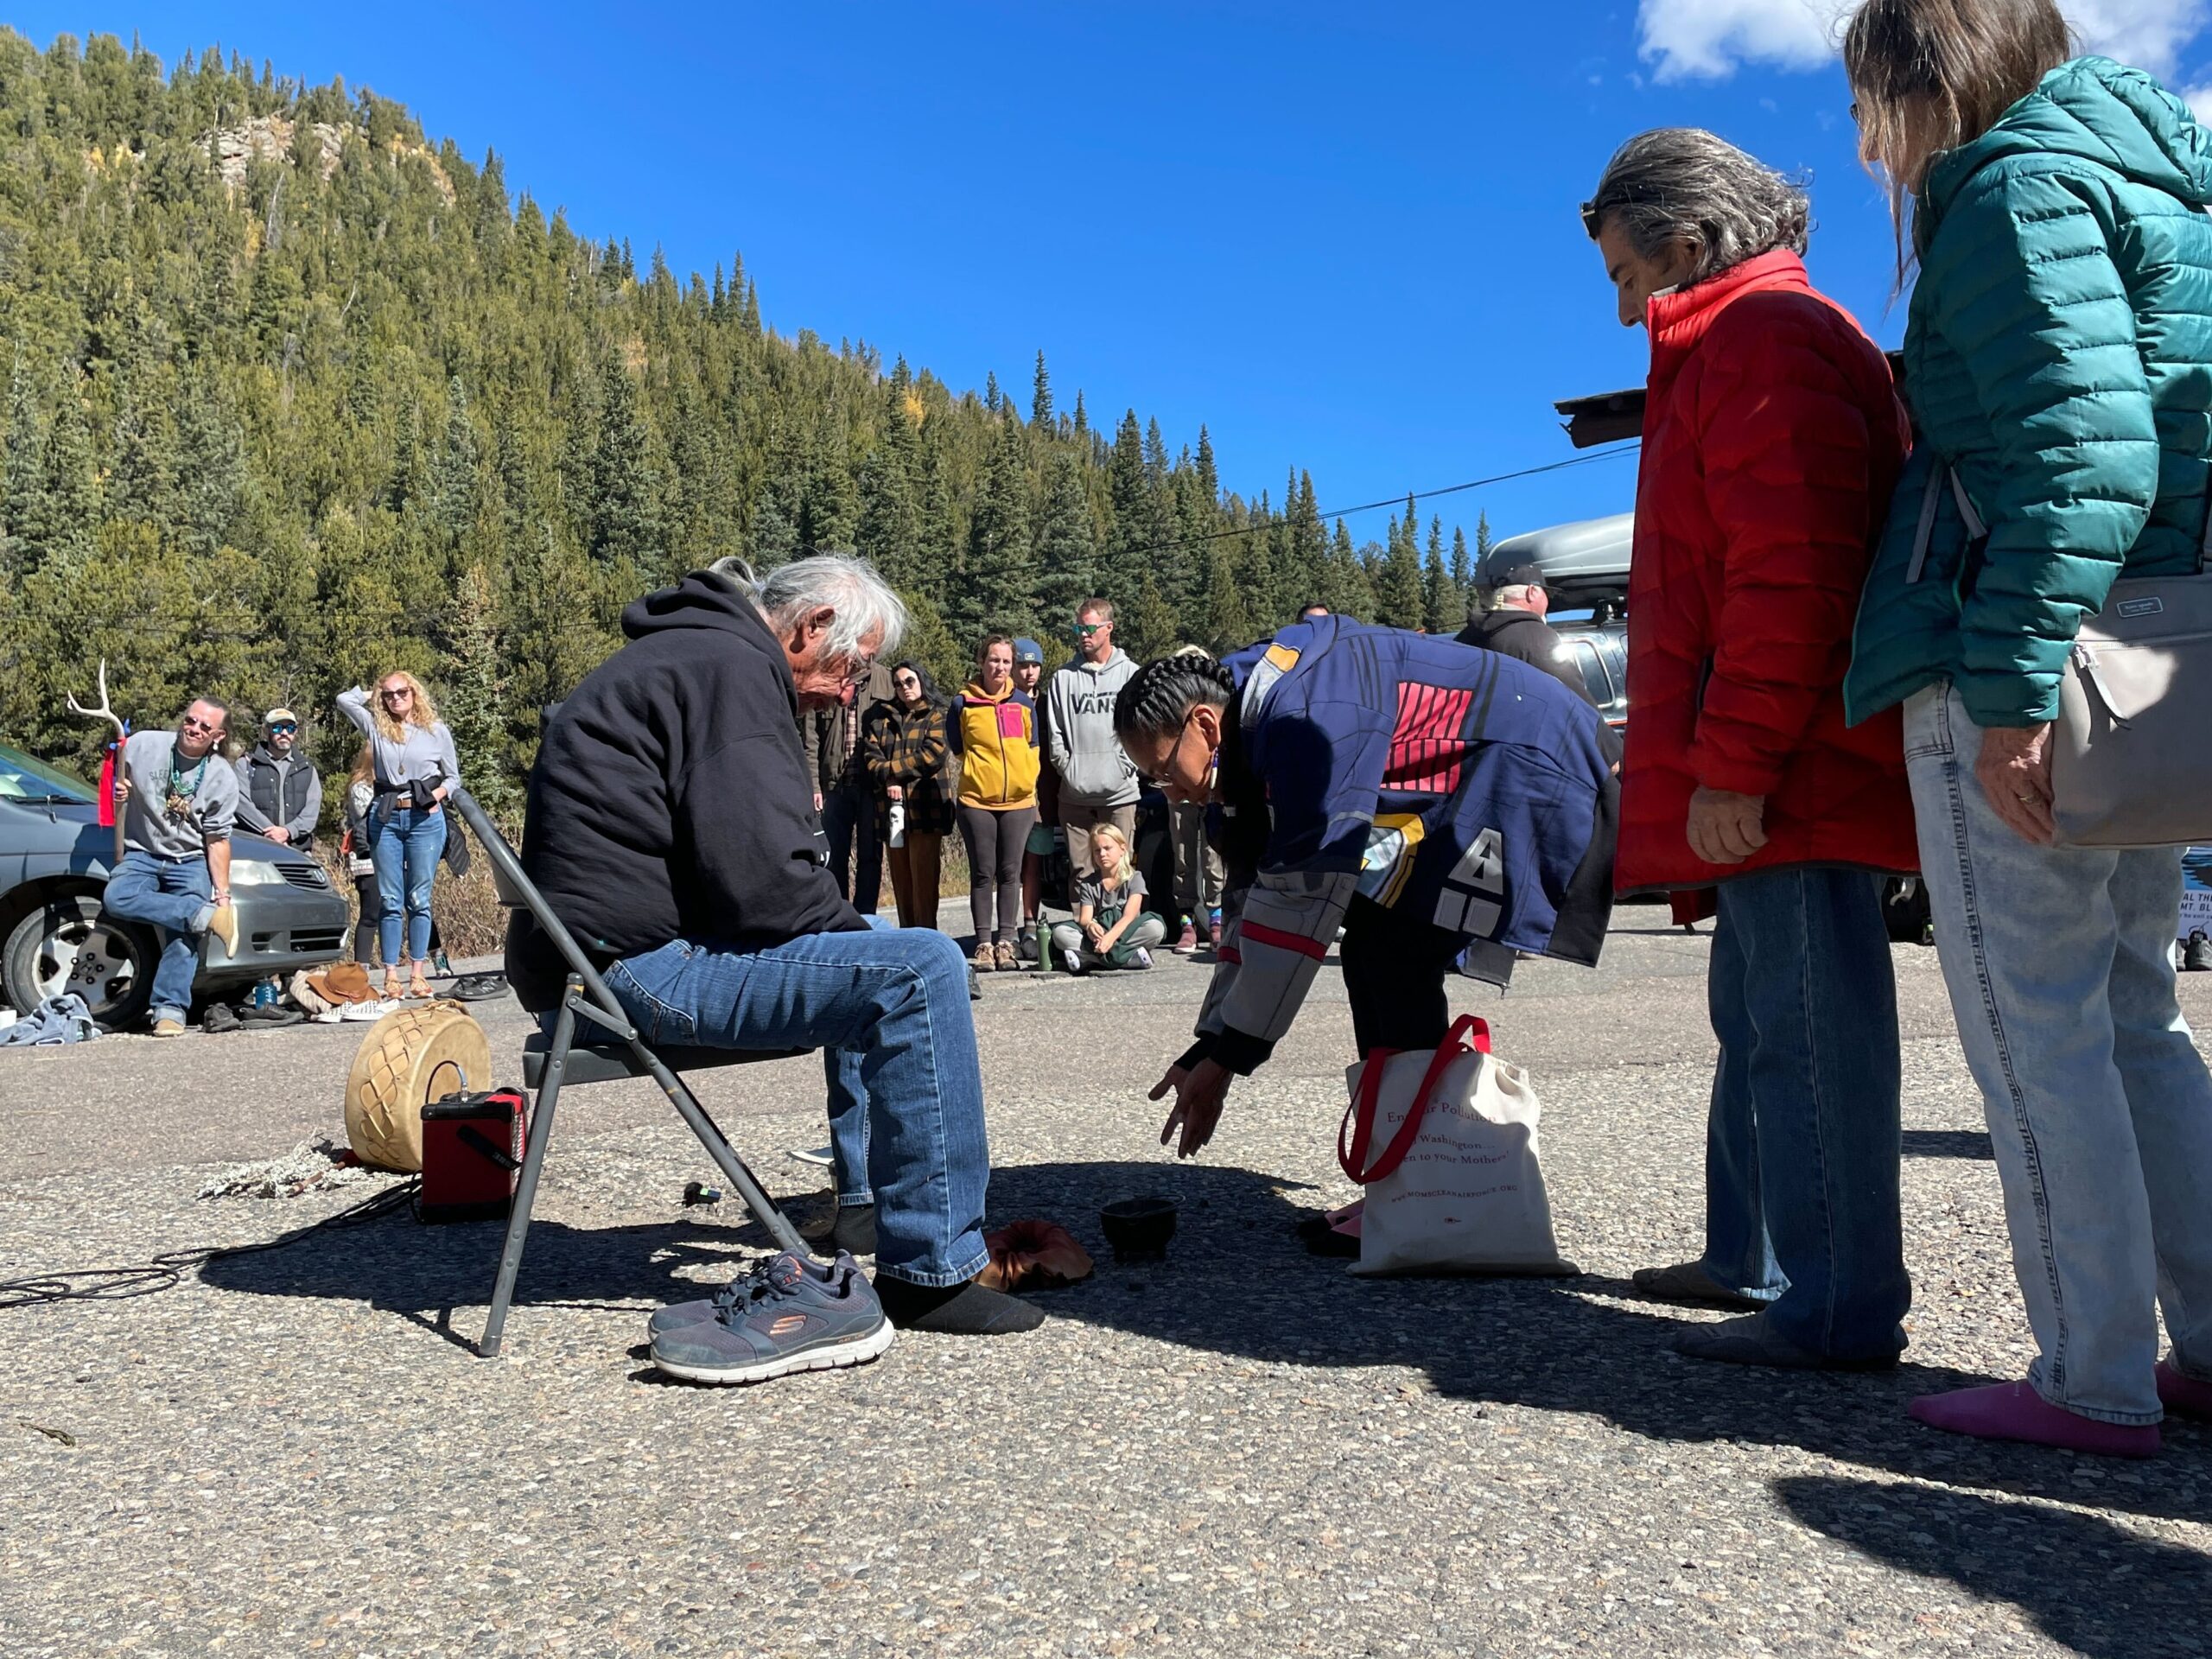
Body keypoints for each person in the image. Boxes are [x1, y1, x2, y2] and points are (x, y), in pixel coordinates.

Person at [1842, 3, 2212, 1452]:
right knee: (2137, 1015)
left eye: (1873, 97)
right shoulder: (2154, 177)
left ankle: (2092, 1377)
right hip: (2147, 661)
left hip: (2024, 653)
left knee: (2031, 1027)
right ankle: (2190, 1347)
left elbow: (2083, 443)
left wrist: (2007, 696)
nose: (1873, 135)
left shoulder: (2010, 185)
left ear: (1920, 74)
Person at [505, 553, 1040, 1382]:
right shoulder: (730, 668)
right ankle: (930, 1272)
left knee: (873, 948)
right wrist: (853, 932)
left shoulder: (700, 652)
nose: (852, 684)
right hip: (635, 971)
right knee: (920, 965)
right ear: (811, 625)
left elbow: (745, 871)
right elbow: (762, 876)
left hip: (602, 957)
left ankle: (867, 1207)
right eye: (852, 662)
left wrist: (847, 928)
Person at [1585, 127, 1916, 1373]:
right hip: (1780, 757)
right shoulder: (1741, 339)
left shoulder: (1763, 340)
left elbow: (1796, 579)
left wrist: (1738, 760)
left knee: (1807, 1027)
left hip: (1794, 768)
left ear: (1687, 240)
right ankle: (1756, 1257)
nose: (1623, 309)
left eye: (1627, 276)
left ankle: (1836, 1304)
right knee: (1758, 1013)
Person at [1113, 620, 1617, 1160]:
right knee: (1378, 947)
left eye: (1165, 773)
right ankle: (1406, 1179)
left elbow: (1299, 902)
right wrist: (1210, 1045)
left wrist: (1232, 1054)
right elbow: (1251, 902)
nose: (1174, 795)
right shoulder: (1244, 725)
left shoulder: (1301, 717)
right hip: (1464, 779)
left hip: (1536, 761)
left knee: (1389, 952)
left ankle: (1422, 1181)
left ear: (1205, 726)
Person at [102, 699, 242, 1036]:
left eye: (204, 727)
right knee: (117, 897)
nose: (194, 729)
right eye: (190, 720)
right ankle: (205, 916)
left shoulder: (222, 777)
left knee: (184, 933)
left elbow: (218, 841)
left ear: (218, 735)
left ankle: (169, 1009)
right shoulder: (143, 744)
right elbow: (110, 776)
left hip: (190, 860)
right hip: (142, 854)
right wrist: (117, 790)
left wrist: (222, 895)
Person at [336, 671, 460, 1001]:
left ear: (415, 693)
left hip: (424, 819)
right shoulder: (376, 727)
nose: (395, 699)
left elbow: (454, 777)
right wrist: (373, 691)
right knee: (390, 901)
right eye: (388, 694)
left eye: (402, 692)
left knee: (419, 899)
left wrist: (438, 795)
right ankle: (391, 974)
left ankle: (417, 973)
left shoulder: (436, 731)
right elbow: (343, 700)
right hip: (387, 819)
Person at [950, 635, 1040, 973]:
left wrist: (1027, 782)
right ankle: (984, 945)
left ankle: (1006, 942)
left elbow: (1033, 747)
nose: (1000, 667)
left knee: (1010, 873)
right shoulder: (963, 703)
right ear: (981, 662)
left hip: (1018, 802)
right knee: (982, 874)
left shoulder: (1023, 703)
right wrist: (981, 773)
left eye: (1006, 661)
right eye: (994, 660)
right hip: (976, 801)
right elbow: (957, 747)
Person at [1046, 597, 1140, 881]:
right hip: (1075, 795)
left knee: (1120, 871)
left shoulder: (1130, 674)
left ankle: (1121, 925)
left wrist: (1124, 767)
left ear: (1108, 627)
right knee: (1081, 873)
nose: (1083, 635)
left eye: (1089, 628)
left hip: (1119, 794)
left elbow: (1140, 731)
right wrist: (1070, 771)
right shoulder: (1063, 678)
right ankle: (1086, 926)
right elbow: (1055, 733)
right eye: (1078, 630)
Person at [863, 660, 953, 930]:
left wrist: (893, 775)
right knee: (901, 880)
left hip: (926, 808)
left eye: (909, 681)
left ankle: (927, 936)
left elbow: (932, 755)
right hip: (892, 811)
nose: (904, 688)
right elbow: (871, 757)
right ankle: (907, 935)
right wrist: (888, 777)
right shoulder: (881, 718)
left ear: (922, 680)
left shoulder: (937, 715)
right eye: (898, 684)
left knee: (924, 880)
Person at [805, 658, 898, 916]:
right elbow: (810, 738)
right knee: (834, 856)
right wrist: (814, 783)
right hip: (834, 785)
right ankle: (839, 915)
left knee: (870, 857)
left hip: (872, 786)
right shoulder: (828, 675)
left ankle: (866, 917)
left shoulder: (887, 681)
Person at [1162, 645, 1224, 954]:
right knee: (1184, 856)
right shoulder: (1167, 708)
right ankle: (1187, 923)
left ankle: (1217, 920)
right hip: (1180, 790)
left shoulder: (1217, 703)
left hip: (1212, 786)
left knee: (1214, 856)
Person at [1049, 822, 1164, 973]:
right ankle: (1128, 959)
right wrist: (1090, 927)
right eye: (1097, 851)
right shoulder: (1089, 883)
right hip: (1099, 934)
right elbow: (1085, 918)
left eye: (1107, 848)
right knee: (1060, 933)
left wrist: (1110, 939)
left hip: (1125, 931)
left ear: (1122, 849)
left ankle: (1086, 959)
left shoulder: (1135, 878)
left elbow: (1129, 916)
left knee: (1155, 928)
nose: (1102, 854)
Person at [1015, 638, 1060, 962]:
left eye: (1035, 665)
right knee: (1018, 865)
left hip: (1047, 797)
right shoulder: (1008, 702)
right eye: (1023, 665)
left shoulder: (1049, 702)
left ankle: (1044, 925)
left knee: (1039, 862)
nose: (1029, 672)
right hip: (1014, 797)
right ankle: (1023, 926)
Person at [232, 709, 322, 851]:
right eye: (277, 728)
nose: (284, 733)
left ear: (296, 732)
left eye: (290, 728)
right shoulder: (246, 764)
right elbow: (241, 805)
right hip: (254, 849)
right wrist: (273, 835)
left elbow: (311, 813)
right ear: (266, 730)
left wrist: (288, 832)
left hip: (297, 851)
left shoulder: (307, 769)